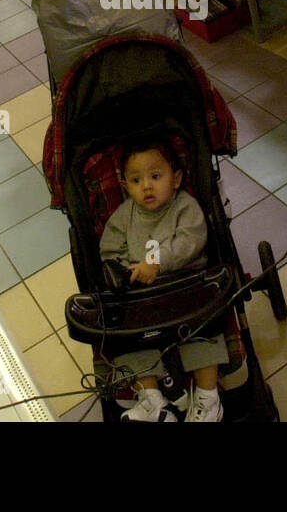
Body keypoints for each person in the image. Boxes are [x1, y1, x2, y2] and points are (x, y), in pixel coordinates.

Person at [98, 137, 227, 422]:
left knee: (202, 328)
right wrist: (123, 271)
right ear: (125, 185)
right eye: (136, 180)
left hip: (187, 286)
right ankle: (152, 401)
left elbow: (191, 240)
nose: (146, 186)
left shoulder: (185, 208)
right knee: (126, 337)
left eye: (156, 177)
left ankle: (208, 399)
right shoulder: (122, 218)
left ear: (176, 178)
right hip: (143, 296)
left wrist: (156, 261)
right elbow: (110, 251)